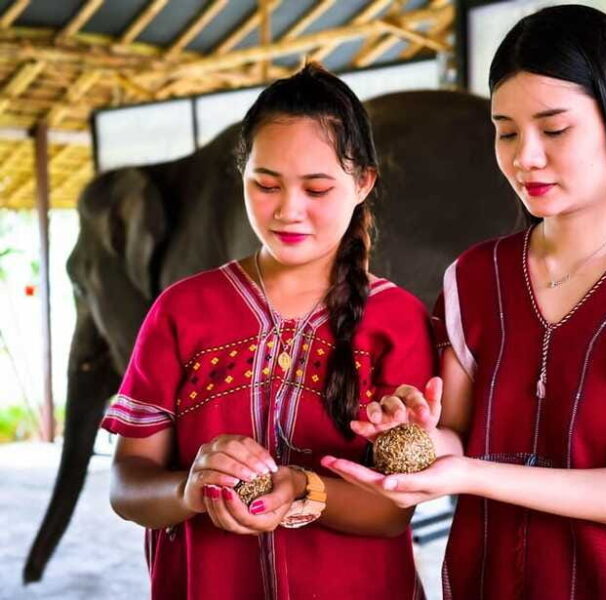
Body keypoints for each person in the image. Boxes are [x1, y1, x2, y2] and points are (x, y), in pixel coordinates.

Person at [323, 6, 606, 599]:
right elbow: (457, 437)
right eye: (505, 131)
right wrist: (413, 442)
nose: (524, 156)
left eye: (554, 130)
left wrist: (471, 473)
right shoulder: (474, 277)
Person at [101, 64, 435, 600]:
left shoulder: (398, 321)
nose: (288, 210)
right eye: (266, 183)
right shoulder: (182, 311)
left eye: (317, 188)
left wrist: (307, 488)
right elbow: (126, 485)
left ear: (363, 182)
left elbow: (393, 512)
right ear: (243, 175)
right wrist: (188, 490)